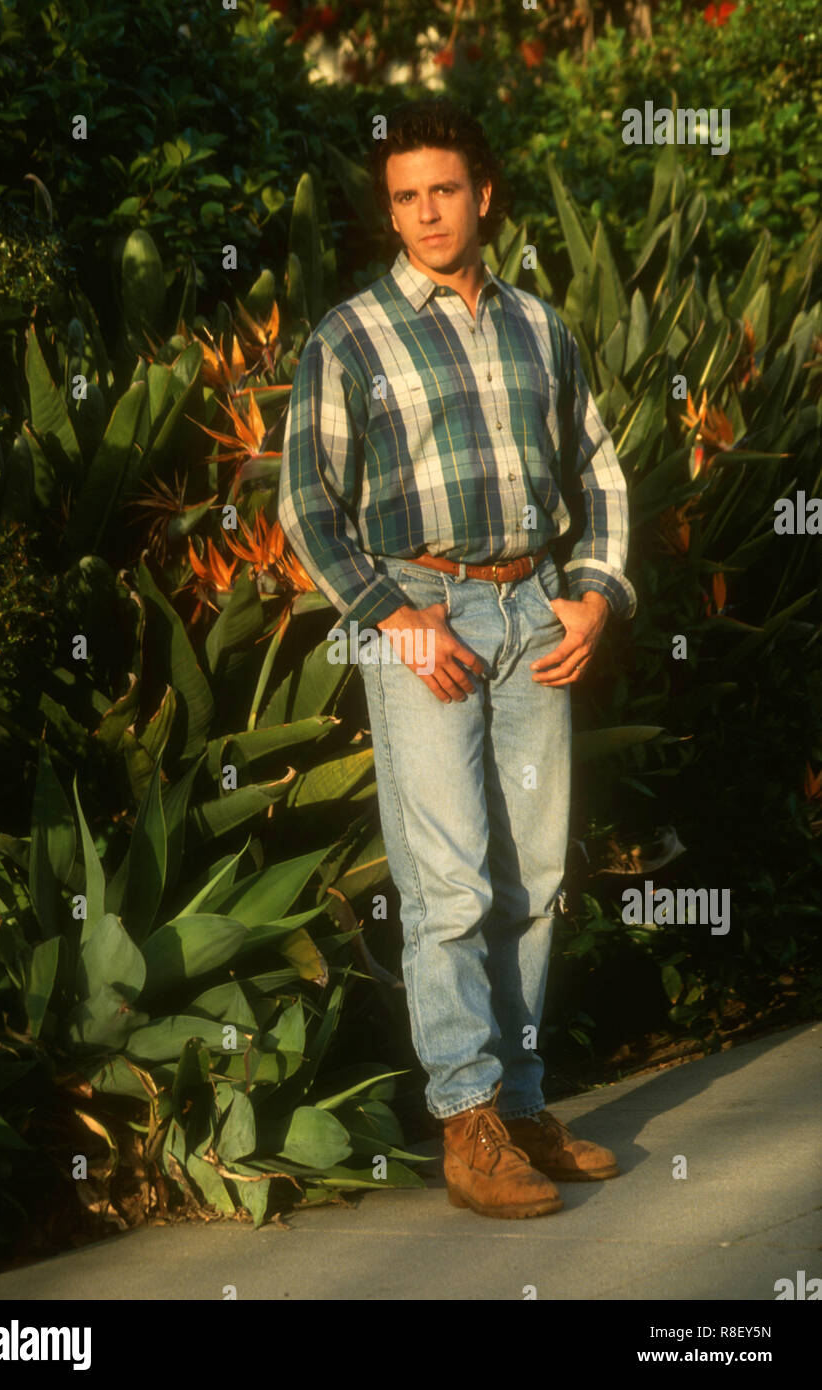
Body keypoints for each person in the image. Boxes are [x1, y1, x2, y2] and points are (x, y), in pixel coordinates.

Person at [277, 97, 636, 1219]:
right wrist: (391, 612)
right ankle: (468, 1119)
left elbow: (598, 467)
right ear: (390, 209)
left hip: (533, 608)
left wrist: (595, 596)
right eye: (404, 197)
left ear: (483, 195)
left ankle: (523, 1106)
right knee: (450, 885)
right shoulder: (350, 337)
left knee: (532, 879)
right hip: (422, 615)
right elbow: (307, 504)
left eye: (444, 190)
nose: (426, 214)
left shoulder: (542, 327)